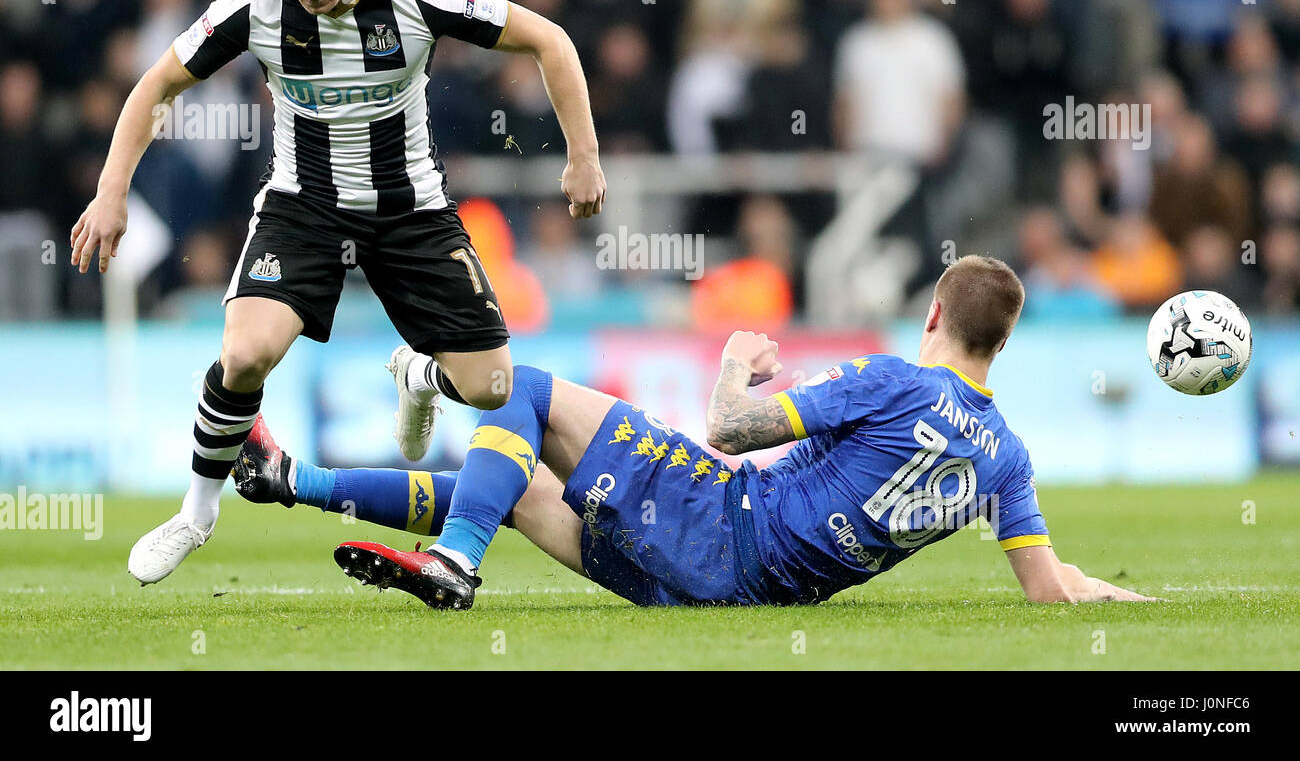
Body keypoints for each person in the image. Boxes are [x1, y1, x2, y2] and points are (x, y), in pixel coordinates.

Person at [68, 0, 606, 585]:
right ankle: (196, 513)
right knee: (246, 353)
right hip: (305, 207)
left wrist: (583, 158)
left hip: (410, 209)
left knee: (492, 390)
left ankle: (417, 374)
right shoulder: (254, 0)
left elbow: (552, 40)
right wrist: (112, 193)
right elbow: (157, 83)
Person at [235, 256, 1156, 608]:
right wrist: (1126, 602)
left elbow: (729, 428)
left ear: (936, 312)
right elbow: (1048, 591)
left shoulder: (891, 382)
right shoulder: (1006, 458)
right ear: (1003, 339)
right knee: (509, 482)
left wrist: (735, 360)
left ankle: (456, 561)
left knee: (520, 392)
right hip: (726, 595)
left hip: (724, 517)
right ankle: (288, 480)